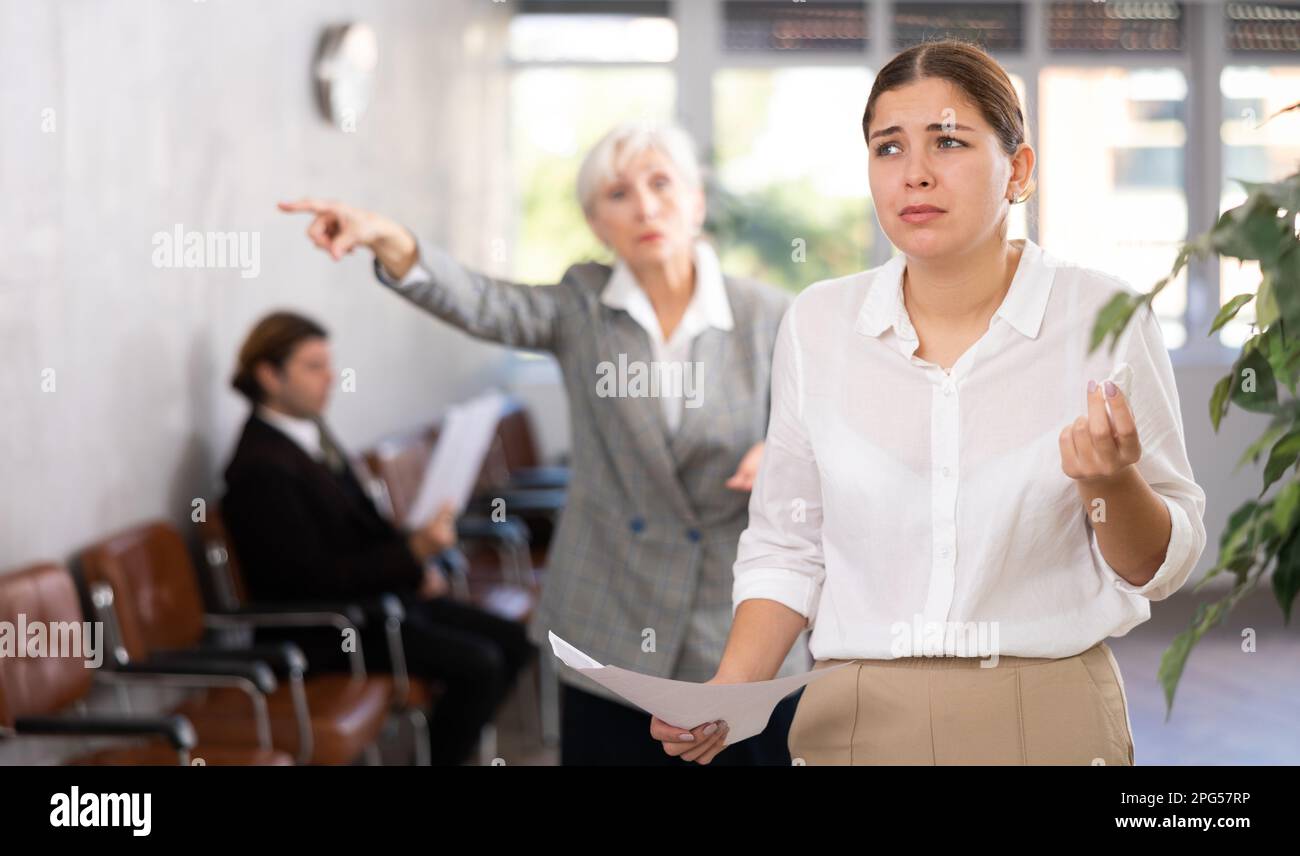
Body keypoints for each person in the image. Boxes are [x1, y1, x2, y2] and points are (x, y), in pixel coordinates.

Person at [654, 39, 1208, 765]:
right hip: (851, 716)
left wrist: (1110, 482)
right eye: (888, 148)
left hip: (1047, 712)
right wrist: (730, 690)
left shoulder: (1102, 315)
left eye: (947, 141)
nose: (914, 173)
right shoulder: (819, 324)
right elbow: (788, 545)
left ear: (1019, 168)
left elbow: (1161, 564)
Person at [279, 120, 810, 765]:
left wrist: (778, 455)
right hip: (610, 618)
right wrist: (391, 241)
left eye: (662, 184)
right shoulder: (580, 306)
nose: (644, 206)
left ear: (696, 201)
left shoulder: (773, 316)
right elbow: (483, 302)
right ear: (596, 224)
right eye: (618, 194)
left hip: (731, 625)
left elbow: (820, 428)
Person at [222, 310, 535, 765]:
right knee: (480, 665)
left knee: (515, 641)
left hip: (378, 602)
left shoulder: (309, 437)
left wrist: (418, 563)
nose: (330, 378)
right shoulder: (260, 466)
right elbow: (310, 578)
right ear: (268, 375)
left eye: (329, 365)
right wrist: (411, 555)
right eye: (314, 367)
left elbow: (363, 526)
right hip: (330, 629)